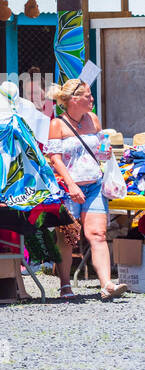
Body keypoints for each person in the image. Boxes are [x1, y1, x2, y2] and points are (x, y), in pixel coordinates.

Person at [44, 78, 126, 302]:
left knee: (97, 234)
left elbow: (99, 149)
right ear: (73, 99)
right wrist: (70, 185)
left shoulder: (93, 119)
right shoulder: (57, 124)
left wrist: (105, 152)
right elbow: (55, 159)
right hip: (69, 188)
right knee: (69, 238)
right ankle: (65, 285)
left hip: (94, 185)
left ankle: (107, 284)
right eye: (88, 96)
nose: (92, 99)